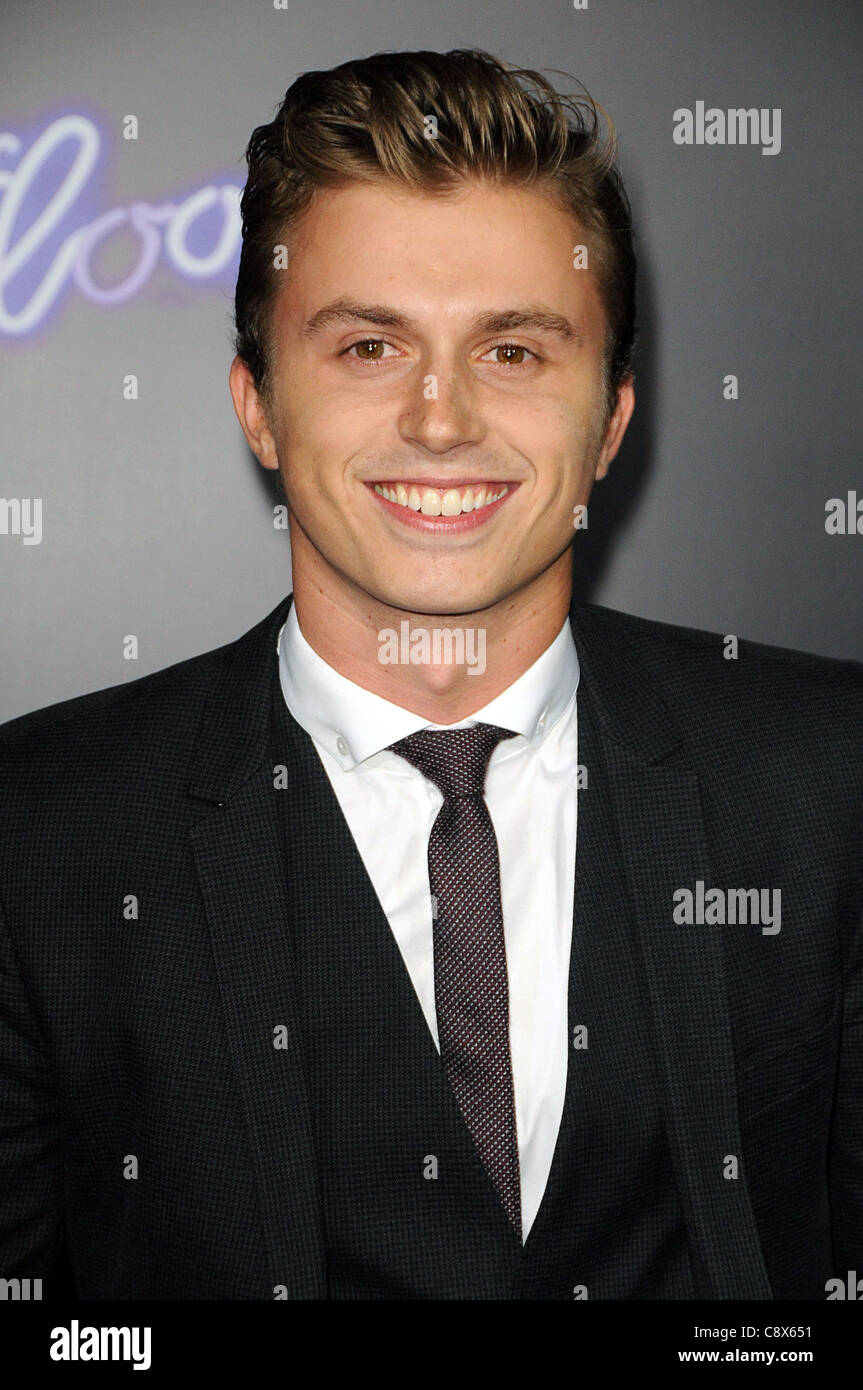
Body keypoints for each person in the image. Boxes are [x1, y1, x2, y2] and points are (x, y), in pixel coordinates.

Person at [1, 48, 860, 1301]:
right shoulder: (37, 831)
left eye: (512, 351)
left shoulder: (828, 779)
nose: (440, 417)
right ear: (257, 407)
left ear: (611, 417)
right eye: (365, 347)